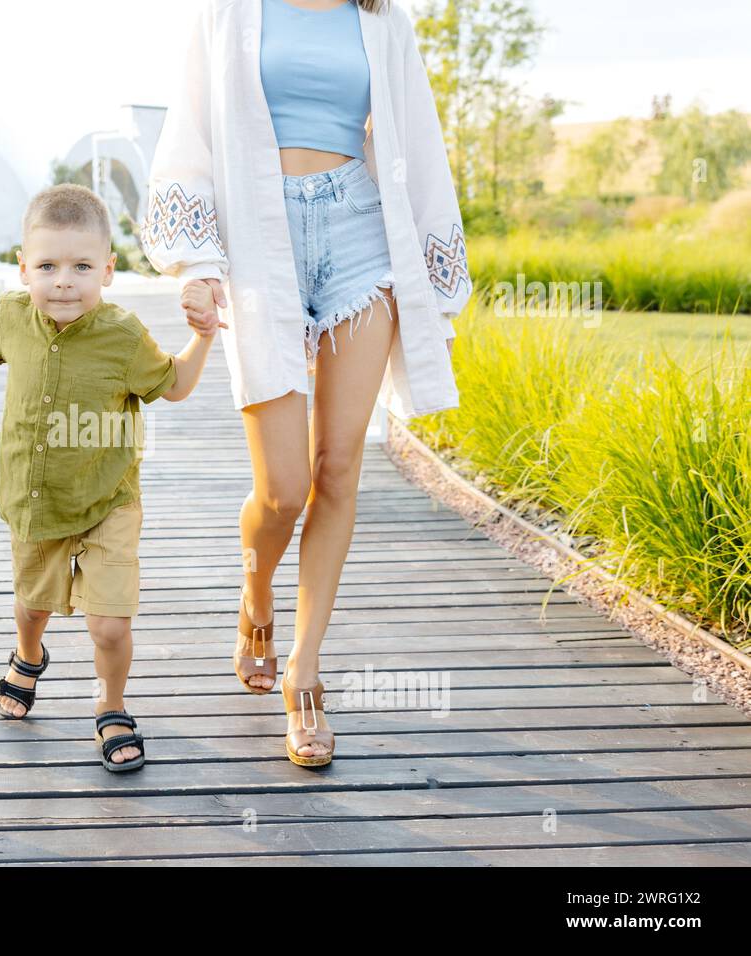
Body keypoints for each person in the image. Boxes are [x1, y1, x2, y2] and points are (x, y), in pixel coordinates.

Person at [141, 0, 472, 767]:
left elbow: (417, 142)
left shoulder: (383, 19)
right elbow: (188, 130)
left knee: (339, 468)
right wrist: (195, 260)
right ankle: (254, 598)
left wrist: (432, 276)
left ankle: (304, 670)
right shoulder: (228, 12)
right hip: (262, 239)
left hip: (362, 233)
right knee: (284, 487)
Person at [0, 184, 220, 771]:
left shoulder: (122, 336)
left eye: (81, 266)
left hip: (107, 503)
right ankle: (28, 655)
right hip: (35, 502)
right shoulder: (15, 320)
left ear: (108, 271)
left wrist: (202, 336)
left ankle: (111, 704)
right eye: (47, 266)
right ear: (23, 269)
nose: (63, 281)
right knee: (32, 603)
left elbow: (173, 385)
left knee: (110, 623)